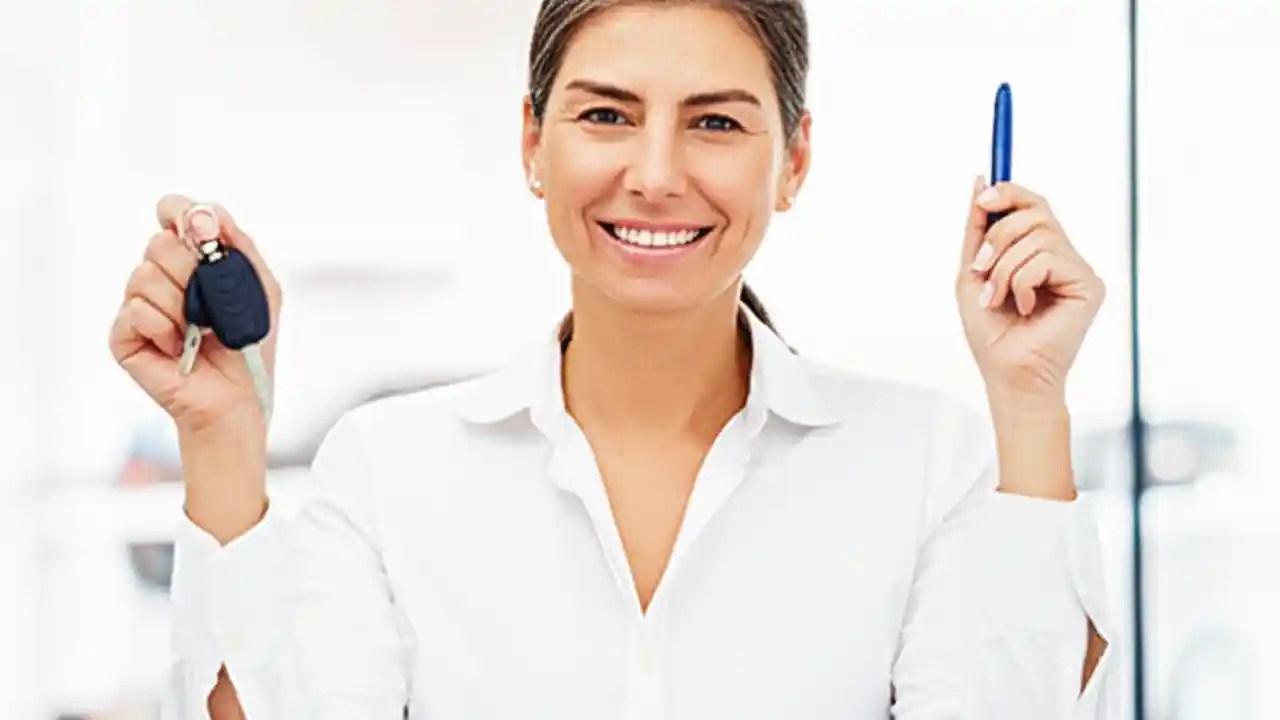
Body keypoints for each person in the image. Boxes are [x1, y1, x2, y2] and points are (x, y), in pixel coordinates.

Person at [109, 1, 1115, 717]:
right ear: (532, 144)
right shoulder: (388, 470)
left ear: (793, 161)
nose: (654, 174)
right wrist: (221, 441)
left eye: (714, 122)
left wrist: (1028, 402)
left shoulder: (921, 458)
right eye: (604, 115)